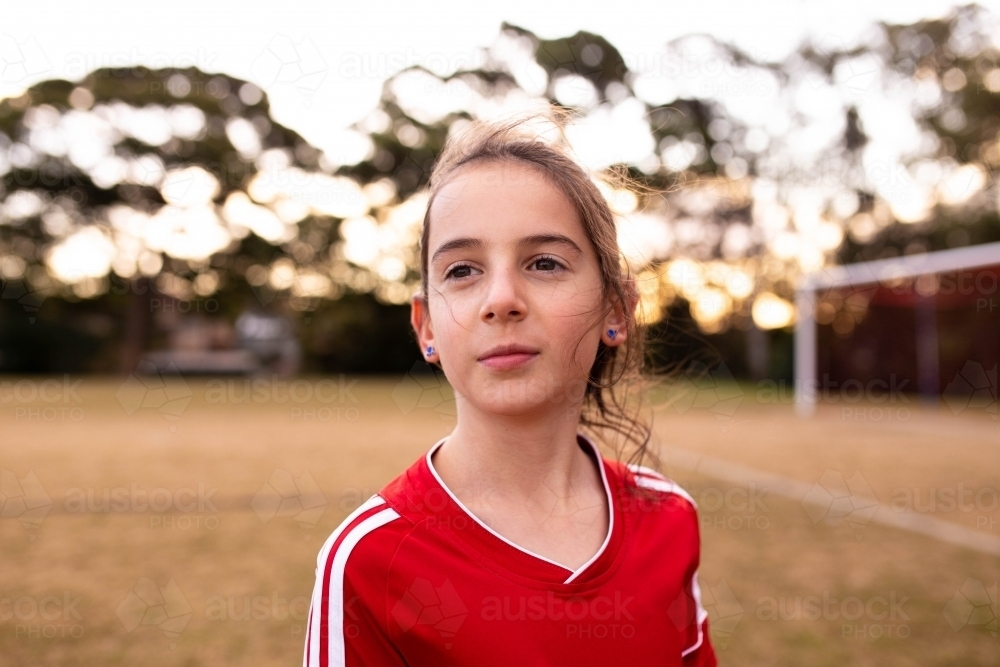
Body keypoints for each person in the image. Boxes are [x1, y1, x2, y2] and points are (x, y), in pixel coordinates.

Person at [304, 114, 717, 666]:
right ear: (426, 328)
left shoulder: (668, 516)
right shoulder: (371, 560)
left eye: (544, 263)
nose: (501, 299)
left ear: (616, 309)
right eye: (462, 271)